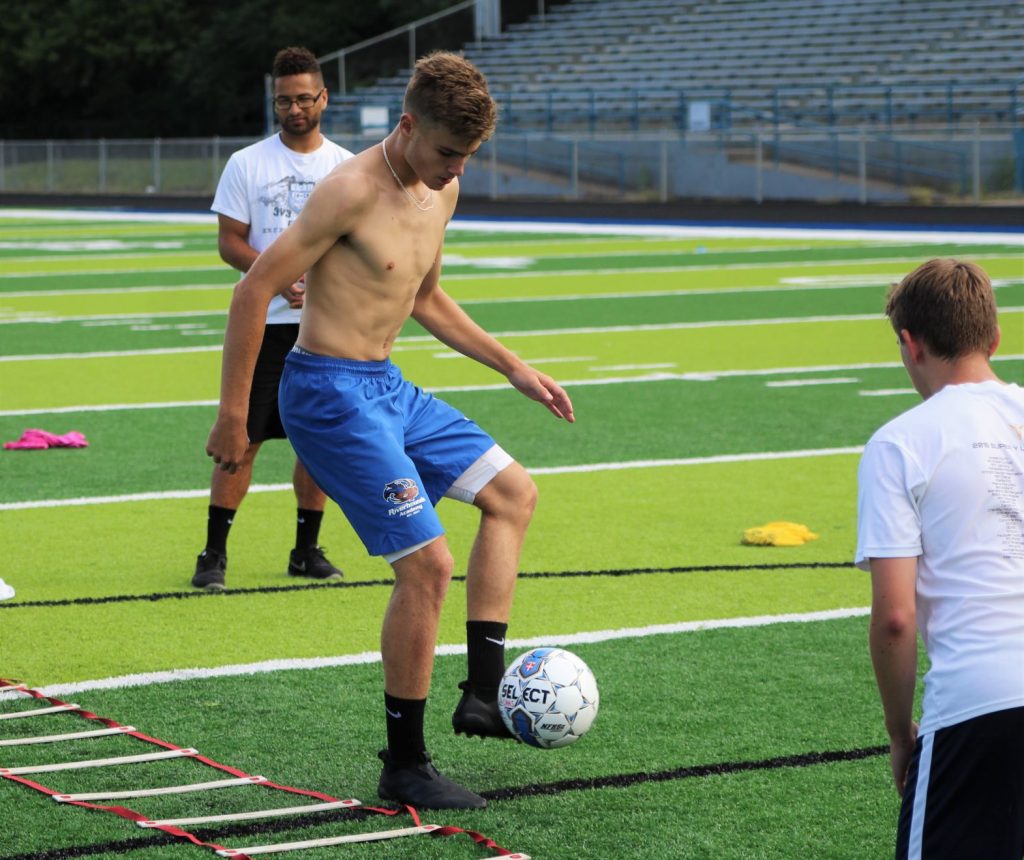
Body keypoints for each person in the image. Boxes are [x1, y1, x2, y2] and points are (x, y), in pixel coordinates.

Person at [205, 51, 574, 809]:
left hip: (387, 386)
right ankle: (404, 762)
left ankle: (482, 690)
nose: (454, 170)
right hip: (326, 393)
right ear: (407, 126)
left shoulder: (446, 186)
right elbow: (254, 292)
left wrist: (513, 367)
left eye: (468, 157)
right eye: (445, 152)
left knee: (514, 494)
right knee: (429, 566)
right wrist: (234, 417)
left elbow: (425, 297)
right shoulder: (348, 191)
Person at [855, 259, 1024, 859]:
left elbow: (896, 617)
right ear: (995, 338)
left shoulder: (899, 442)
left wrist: (901, 734)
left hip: (981, 703)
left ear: (909, 343)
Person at [193, 47, 353, 592]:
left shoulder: (346, 167)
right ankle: (214, 554)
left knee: (320, 443)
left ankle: (306, 551)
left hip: (326, 329)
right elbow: (228, 242)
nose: (293, 109)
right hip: (264, 323)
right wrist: (278, 278)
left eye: (304, 98)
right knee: (242, 439)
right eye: (283, 100)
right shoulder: (247, 163)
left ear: (323, 98)